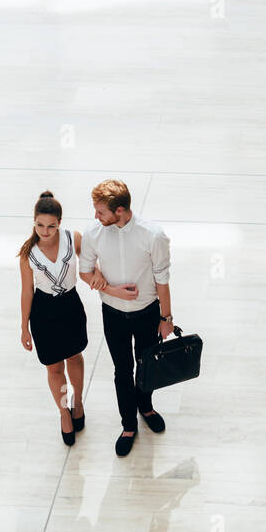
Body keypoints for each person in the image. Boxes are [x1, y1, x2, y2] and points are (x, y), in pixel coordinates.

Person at [78, 179, 174, 457]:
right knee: (123, 370)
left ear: (119, 210)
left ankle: (146, 406)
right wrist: (113, 291)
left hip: (147, 313)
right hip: (113, 314)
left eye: (101, 212)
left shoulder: (152, 235)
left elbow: (163, 280)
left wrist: (166, 318)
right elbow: (86, 272)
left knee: (146, 367)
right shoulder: (94, 233)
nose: (96, 216)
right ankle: (128, 424)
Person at [18, 191, 119, 445]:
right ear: (34, 222)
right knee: (54, 366)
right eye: (40, 225)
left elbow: (90, 265)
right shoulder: (27, 253)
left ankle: (78, 401)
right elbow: (26, 291)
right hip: (43, 312)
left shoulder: (72, 239)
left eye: (51, 225)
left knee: (74, 356)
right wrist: (24, 327)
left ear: (59, 223)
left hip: (70, 306)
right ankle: (63, 411)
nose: (45, 230)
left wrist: (98, 275)